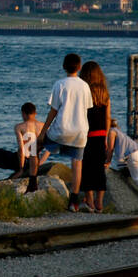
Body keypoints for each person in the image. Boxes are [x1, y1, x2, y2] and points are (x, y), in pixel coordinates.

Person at [38, 53, 92, 212]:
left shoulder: (60, 85)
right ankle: (73, 201)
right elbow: (87, 108)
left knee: (39, 146)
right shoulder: (84, 86)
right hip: (80, 131)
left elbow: (53, 111)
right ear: (79, 67)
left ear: (64, 66)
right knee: (77, 164)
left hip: (61, 130)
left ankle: (31, 177)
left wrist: (43, 132)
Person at [0, 102, 49, 189]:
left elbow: (21, 149)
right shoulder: (44, 127)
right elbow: (49, 148)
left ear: (23, 113)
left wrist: (21, 168)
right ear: (35, 113)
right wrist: (40, 163)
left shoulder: (20, 127)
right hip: (34, 162)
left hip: (21, 160)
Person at [78, 60, 111, 213]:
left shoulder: (84, 93)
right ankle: (100, 202)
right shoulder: (104, 93)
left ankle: (89, 200)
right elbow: (108, 117)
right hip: (101, 134)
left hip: (87, 134)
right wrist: (106, 137)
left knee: (86, 167)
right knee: (99, 169)